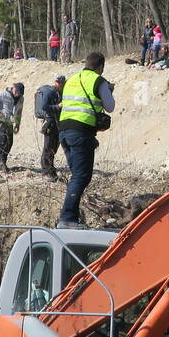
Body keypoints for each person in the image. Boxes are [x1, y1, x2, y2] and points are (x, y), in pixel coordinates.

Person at [57, 52, 114, 228]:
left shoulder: (72, 79)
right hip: (81, 132)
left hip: (64, 131)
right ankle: (67, 219)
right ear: (101, 67)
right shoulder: (98, 80)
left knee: (77, 176)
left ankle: (70, 217)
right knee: (81, 176)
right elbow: (110, 107)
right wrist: (109, 91)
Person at [34, 74, 67, 181]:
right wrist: (57, 107)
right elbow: (44, 106)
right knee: (48, 147)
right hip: (49, 122)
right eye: (60, 82)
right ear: (57, 82)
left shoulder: (58, 93)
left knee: (53, 147)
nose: (61, 84)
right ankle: (46, 172)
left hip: (56, 122)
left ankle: (51, 169)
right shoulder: (49, 92)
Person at [0, 82, 25, 173]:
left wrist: (17, 124)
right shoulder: (4, 94)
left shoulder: (20, 98)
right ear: (13, 87)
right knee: (2, 140)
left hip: (9, 122)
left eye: (19, 93)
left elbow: (19, 111)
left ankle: (2, 162)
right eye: (17, 92)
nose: (17, 94)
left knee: (9, 142)